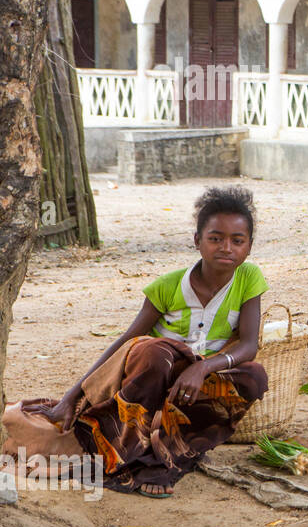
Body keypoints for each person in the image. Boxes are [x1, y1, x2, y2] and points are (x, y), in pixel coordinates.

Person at [11, 186, 269, 497]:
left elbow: (248, 344)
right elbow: (128, 341)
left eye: (237, 241)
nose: (226, 247)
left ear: (249, 246)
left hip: (193, 387)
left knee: (254, 376)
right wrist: (72, 394)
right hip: (149, 381)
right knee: (155, 350)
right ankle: (132, 456)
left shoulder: (249, 279)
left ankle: (171, 450)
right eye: (215, 238)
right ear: (197, 240)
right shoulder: (167, 286)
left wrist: (202, 369)